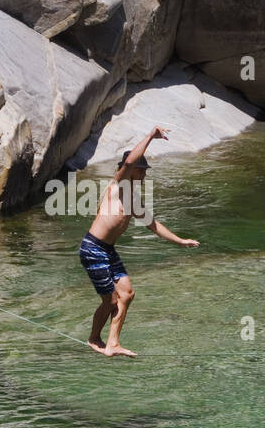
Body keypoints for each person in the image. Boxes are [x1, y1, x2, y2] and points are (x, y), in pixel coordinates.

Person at [77, 127, 199, 357]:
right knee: (111, 299)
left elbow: (154, 225)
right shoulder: (117, 186)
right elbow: (130, 161)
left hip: (108, 250)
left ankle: (113, 343)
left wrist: (180, 241)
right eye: (141, 171)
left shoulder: (133, 199)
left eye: (144, 171)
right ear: (131, 171)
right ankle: (94, 338)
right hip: (92, 248)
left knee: (127, 294)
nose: (143, 175)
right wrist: (151, 136)